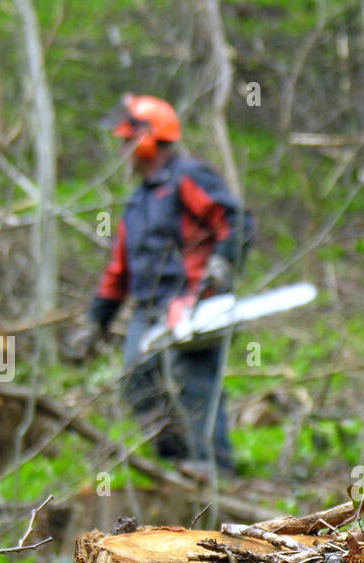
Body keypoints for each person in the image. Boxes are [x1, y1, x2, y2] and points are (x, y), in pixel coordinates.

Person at [73, 94, 243, 473]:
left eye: (126, 140)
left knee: (193, 381)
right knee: (137, 382)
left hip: (191, 300)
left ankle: (214, 465)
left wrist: (223, 260)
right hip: (148, 308)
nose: (123, 149)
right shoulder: (137, 202)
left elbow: (232, 219)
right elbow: (119, 270)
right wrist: (94, 322)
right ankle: (176, 460)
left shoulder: (188, 178)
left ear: (147, 138)